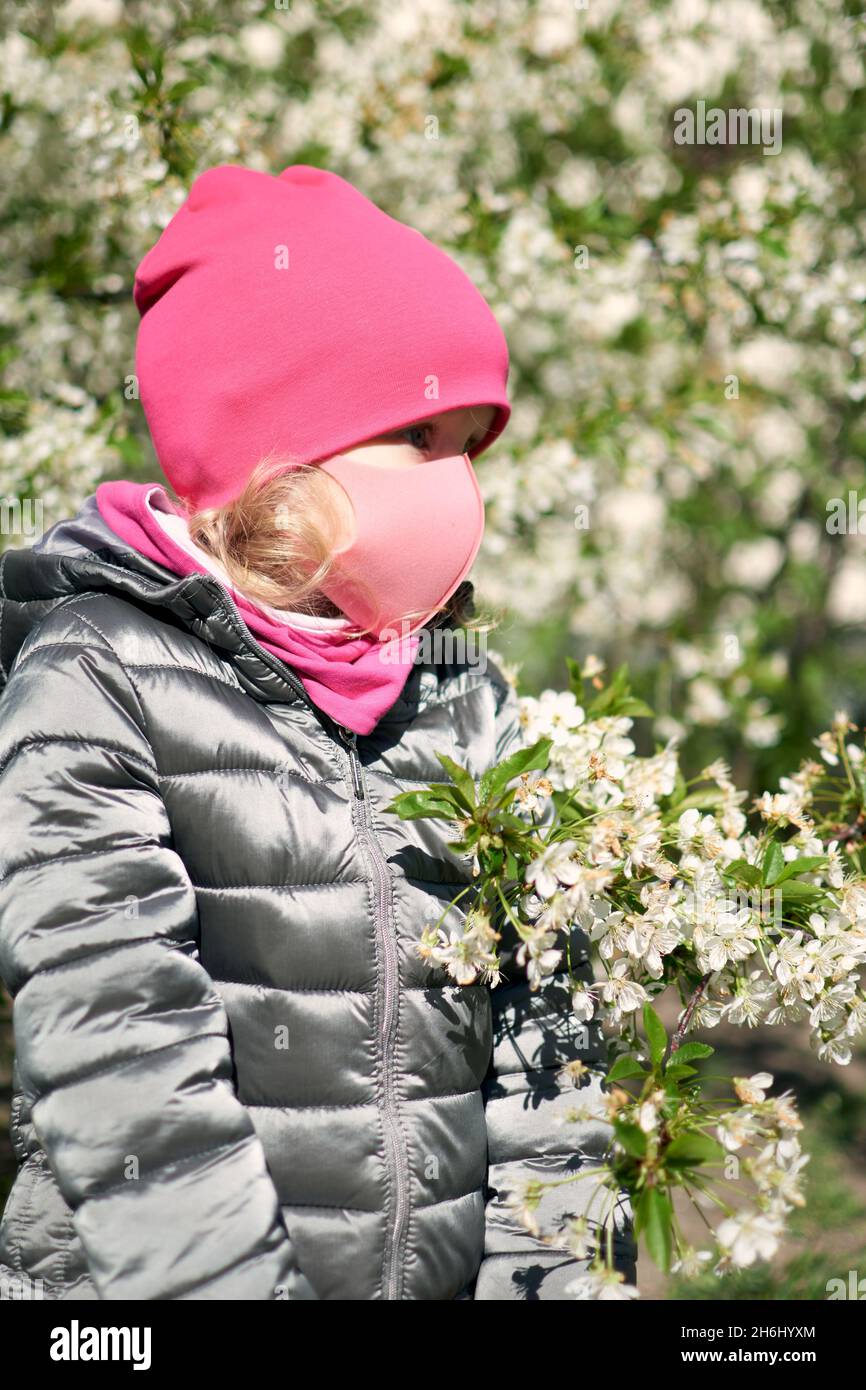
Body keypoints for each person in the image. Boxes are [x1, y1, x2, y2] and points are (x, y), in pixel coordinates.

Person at [0, 164, 636, 1301]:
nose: (458, 486)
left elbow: (552, 1051)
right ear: (277, 460)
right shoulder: (99, 678)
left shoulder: (460, 691)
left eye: (468, 444)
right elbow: (122, 1058)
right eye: (419, 437)